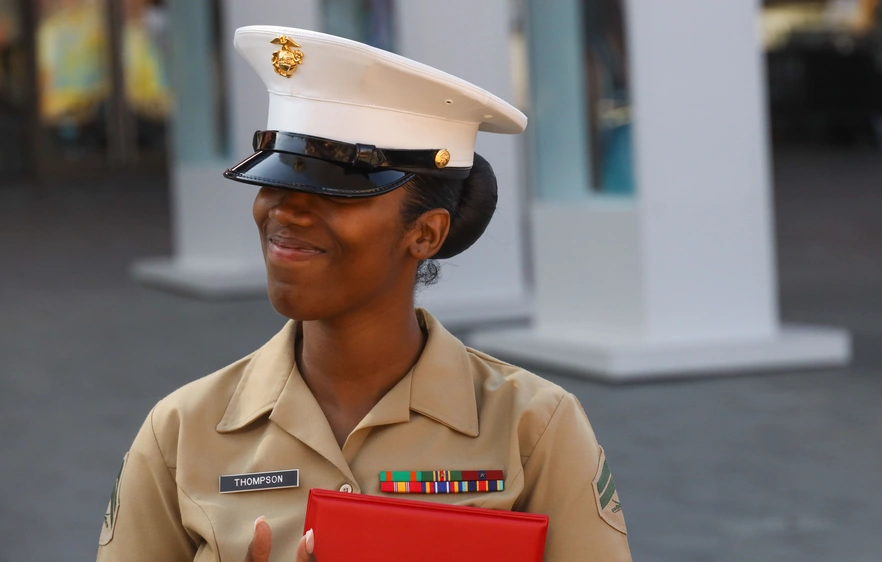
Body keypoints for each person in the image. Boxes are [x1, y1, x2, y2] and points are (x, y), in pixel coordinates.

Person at [96, 25, 631, 562]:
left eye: (336, 190)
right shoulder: (181, 432)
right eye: (278, 178)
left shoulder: (532, 429)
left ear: (426, 233)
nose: (285, 210)